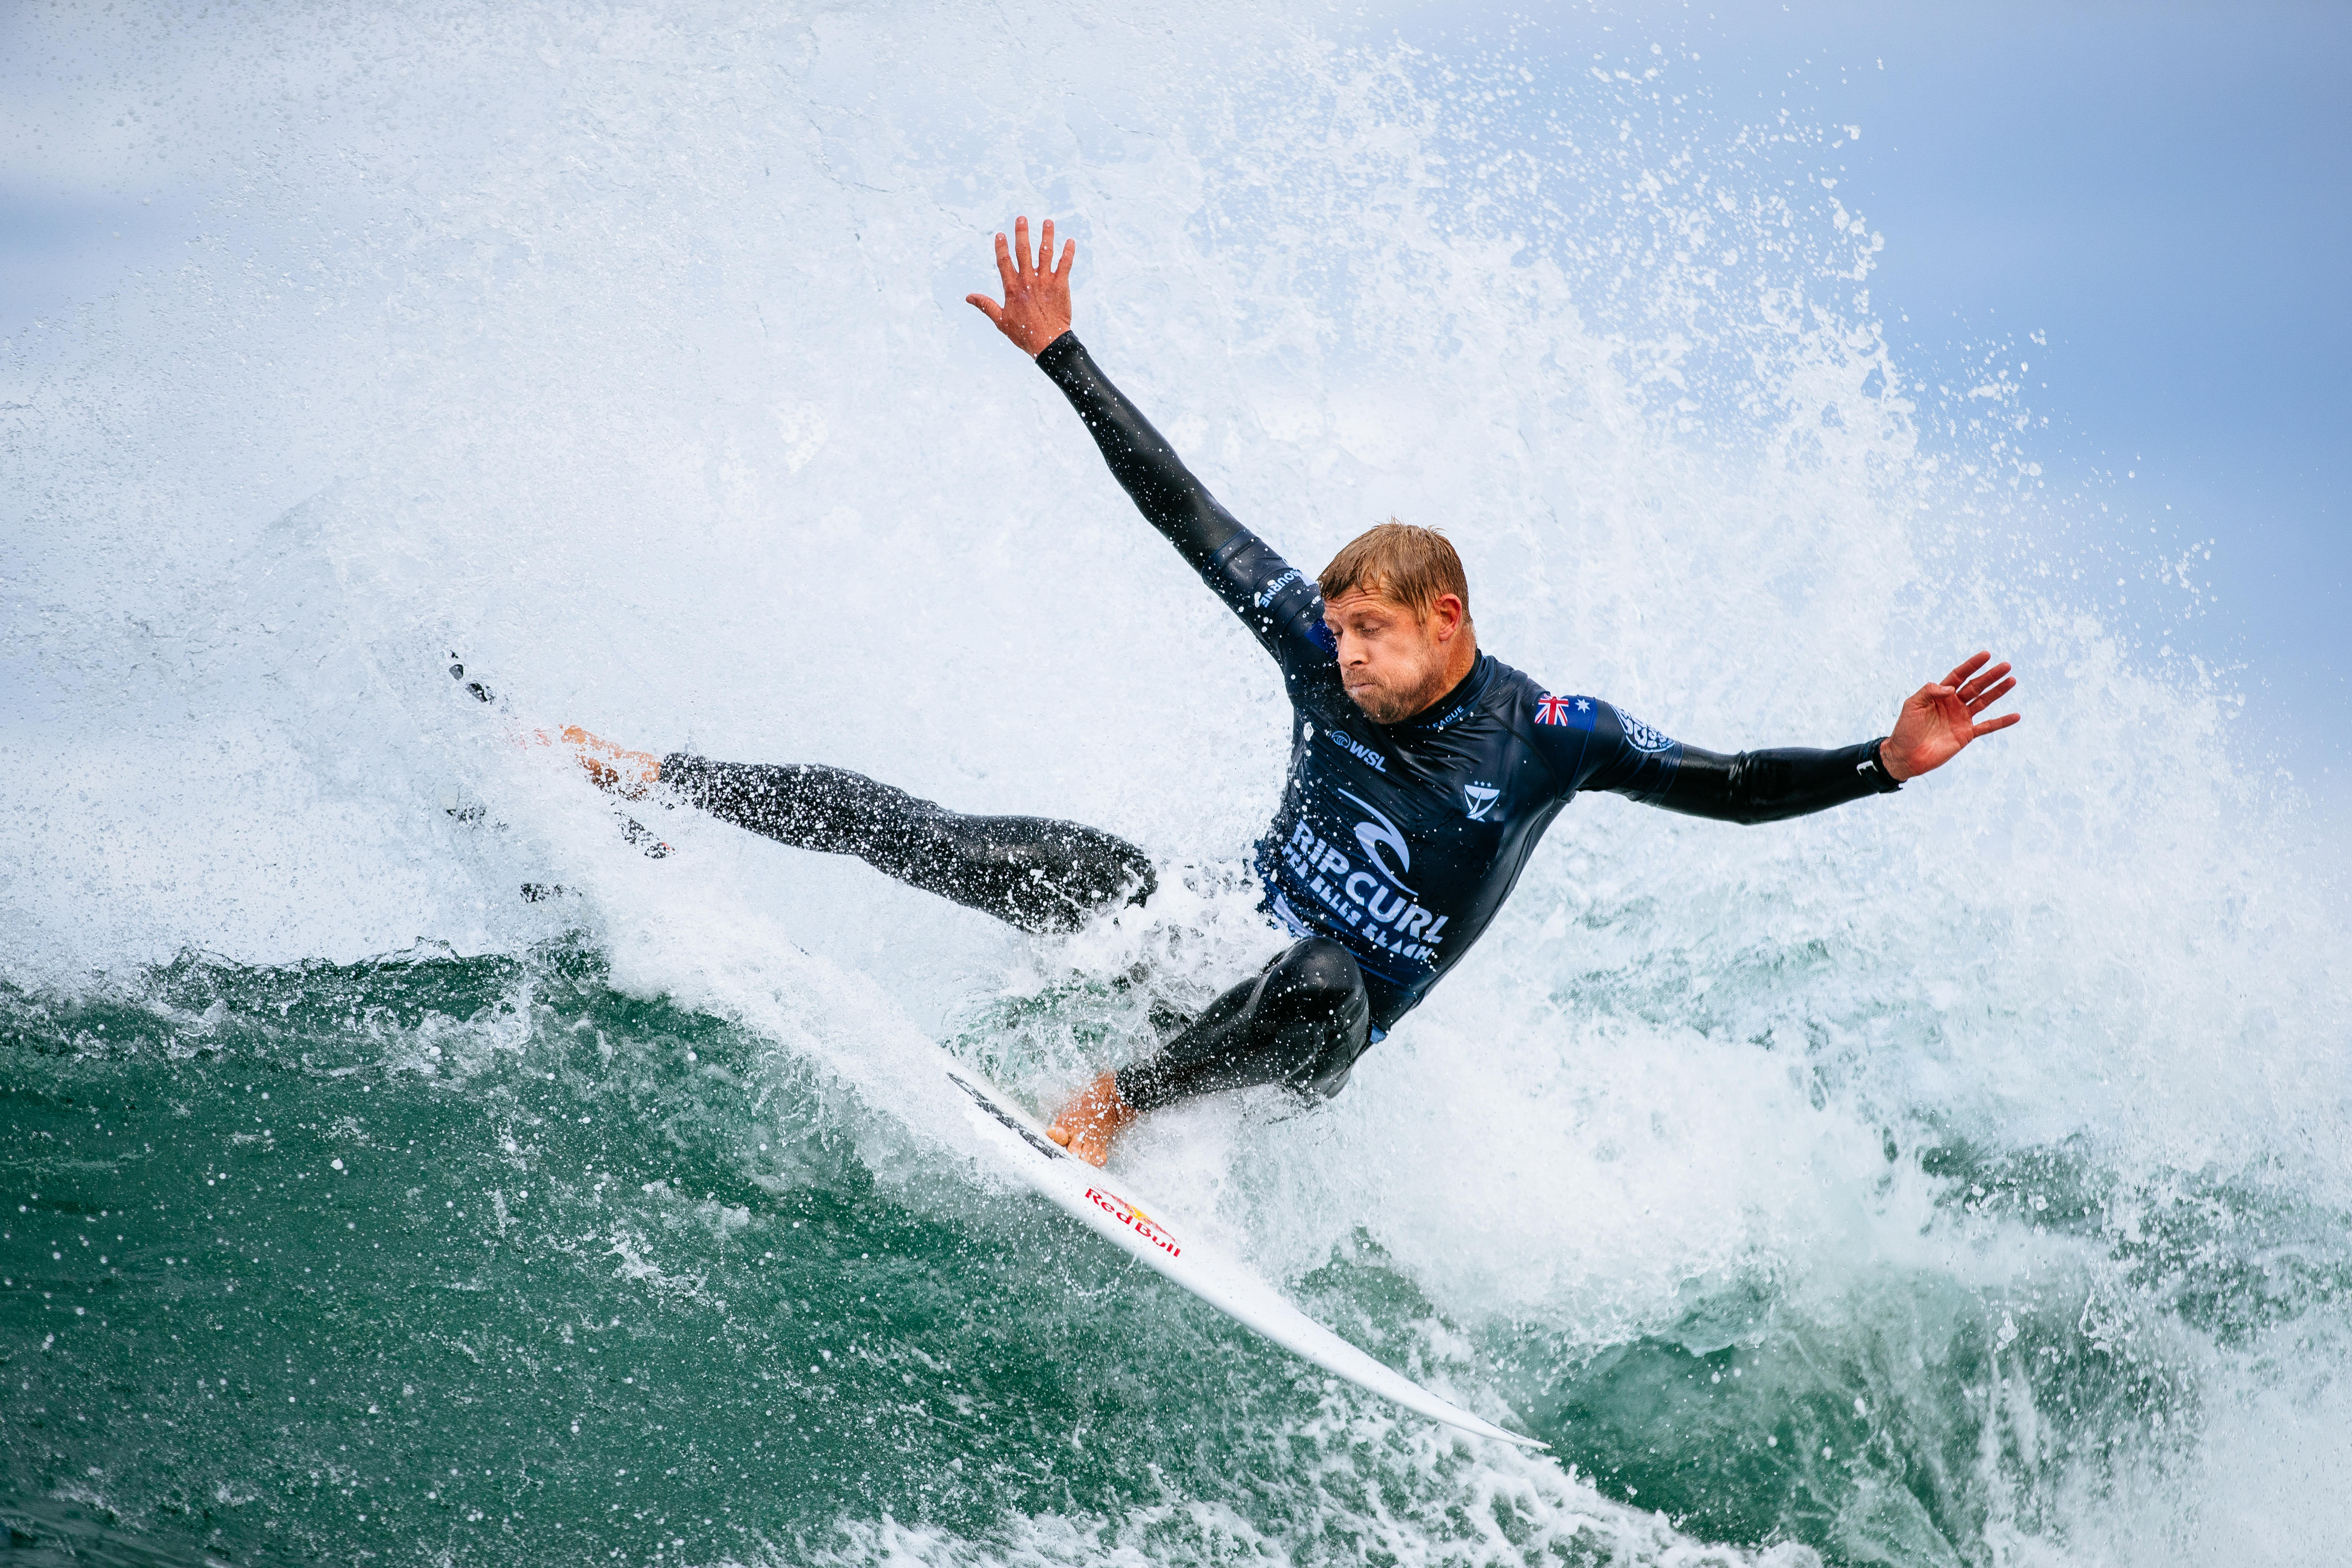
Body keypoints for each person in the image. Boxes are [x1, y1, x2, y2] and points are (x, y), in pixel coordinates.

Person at [558, 216, 2021, 1167]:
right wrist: (1062, 354)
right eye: (1336, 633)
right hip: (1213, 937)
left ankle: (1110, 1112)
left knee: (1323, 970)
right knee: (986, 845)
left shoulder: (1549, 737)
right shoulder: (1318, 652)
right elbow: (1184, 508)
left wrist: (1878, 764)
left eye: (1374, 634)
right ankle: (658, 773)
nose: (1349, 658)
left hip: (1314, 1031)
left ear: (1447, 621)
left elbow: (1728, 785)